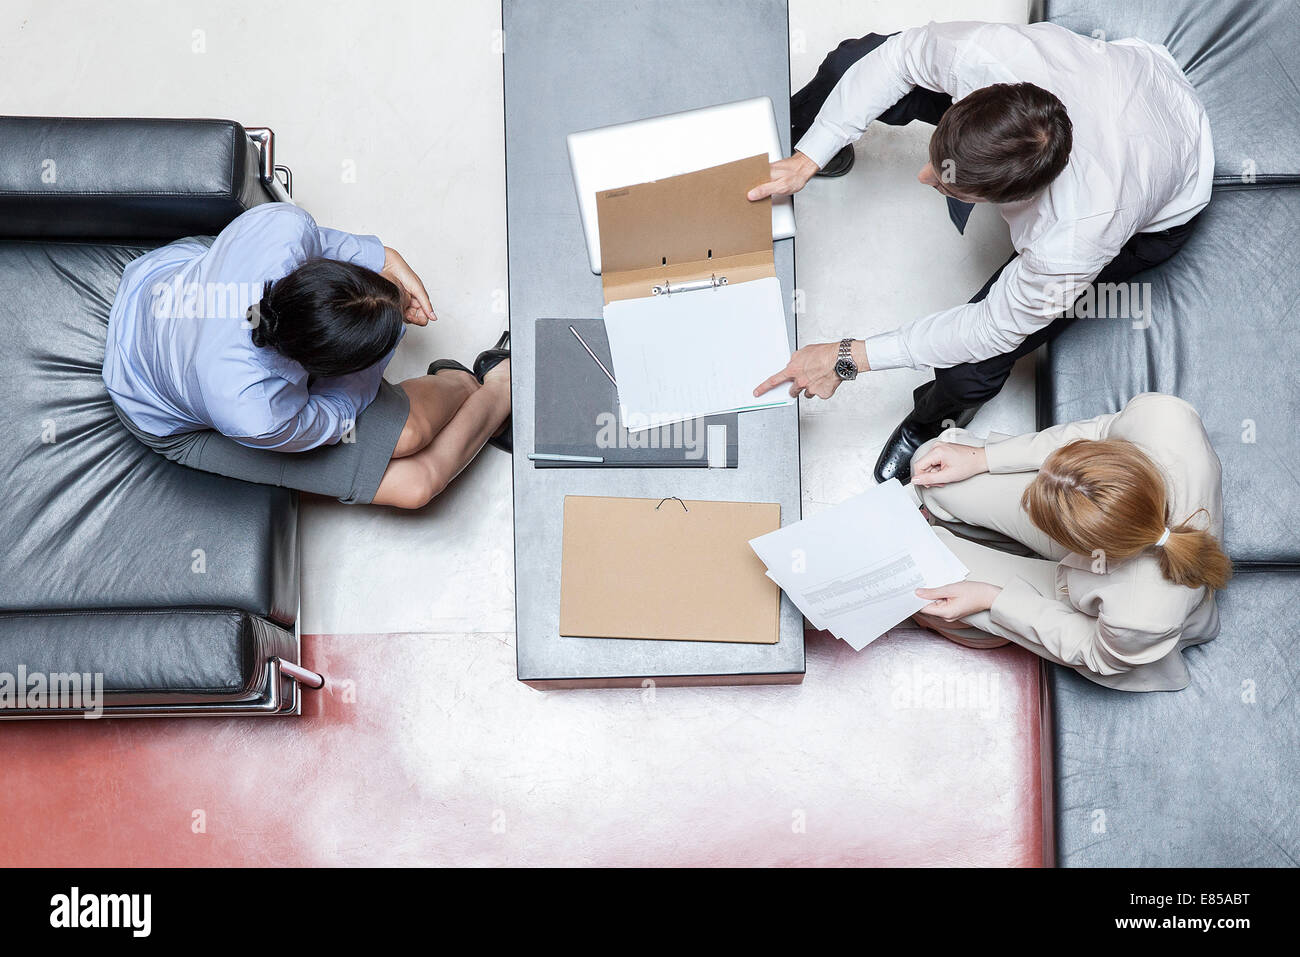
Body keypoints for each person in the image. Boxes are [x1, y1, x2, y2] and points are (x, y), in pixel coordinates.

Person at [749, 21, 1214, 484]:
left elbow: (991, 328)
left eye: (950, 184)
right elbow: (897, 59)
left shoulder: (1072, 238)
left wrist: (845, 357)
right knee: (853, 61)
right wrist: (811, 153)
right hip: (1137, 84)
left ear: (1008, 199)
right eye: (939, 158)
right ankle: (800, 144)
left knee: (970, 369)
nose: (924, 176)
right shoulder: (990, 55)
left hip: (1162, 200)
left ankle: (936, 418)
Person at [103, 202, 510, 509]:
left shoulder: (285, 229)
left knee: (409, 437)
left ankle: (476, 388)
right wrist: (378, 351)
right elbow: (338, 413)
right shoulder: (256, 413)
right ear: (325, 371)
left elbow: (349, 250)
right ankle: (493, 384)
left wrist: (384, 265)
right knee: (416, 477)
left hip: (160, 287)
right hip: (155, 405)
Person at [905, 393, 1231, 692]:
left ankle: (989, 592)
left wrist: (993, 600)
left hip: (1106, 608)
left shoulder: (1142, 616)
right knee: (932, 466)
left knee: (919, 581)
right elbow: (1100, 430)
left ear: (1089, 549)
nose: (1028, 506)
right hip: (1108, 542)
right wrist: (983, 457)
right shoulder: (1162, 421)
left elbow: (1092, 650)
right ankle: (988, 543)